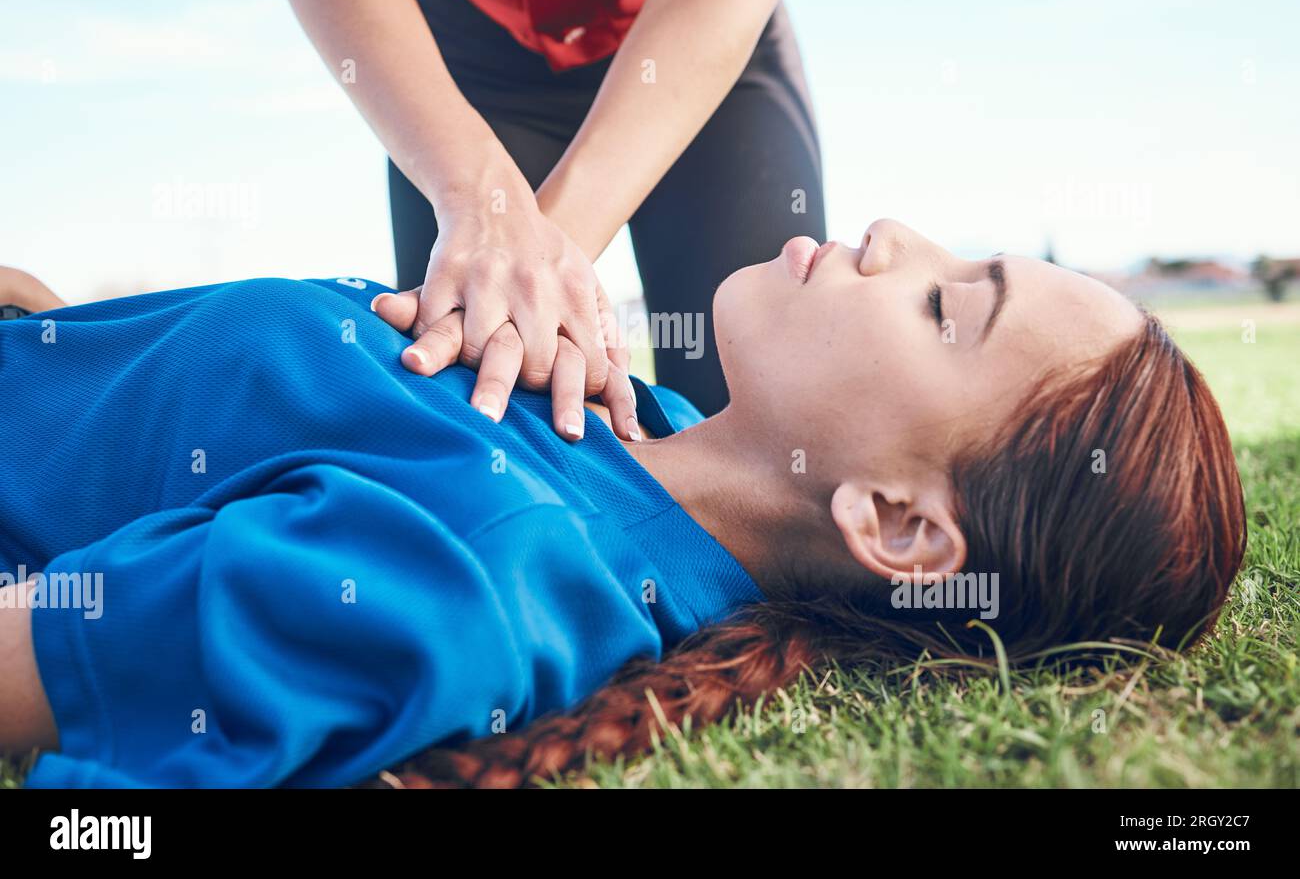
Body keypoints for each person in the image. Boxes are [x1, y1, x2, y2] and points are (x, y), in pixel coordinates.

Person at [0, 220, 1245, 788]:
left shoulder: (469, 571)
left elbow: (47, 652)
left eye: (945, 308)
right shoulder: (621, 409)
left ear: (900, 525)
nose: (890, 232)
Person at [269, 0, 914, 420]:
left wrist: (531, 263)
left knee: (762, 404)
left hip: (705, 26)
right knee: (477, 409)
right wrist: (483, 207)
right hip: (468, 50)